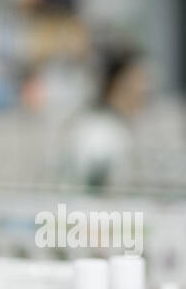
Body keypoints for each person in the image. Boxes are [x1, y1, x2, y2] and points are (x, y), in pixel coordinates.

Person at [59, 48, 149, 191]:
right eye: (135, 85)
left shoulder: (113, 127)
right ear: (114, 86)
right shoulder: (99, 132)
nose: (142, 92)